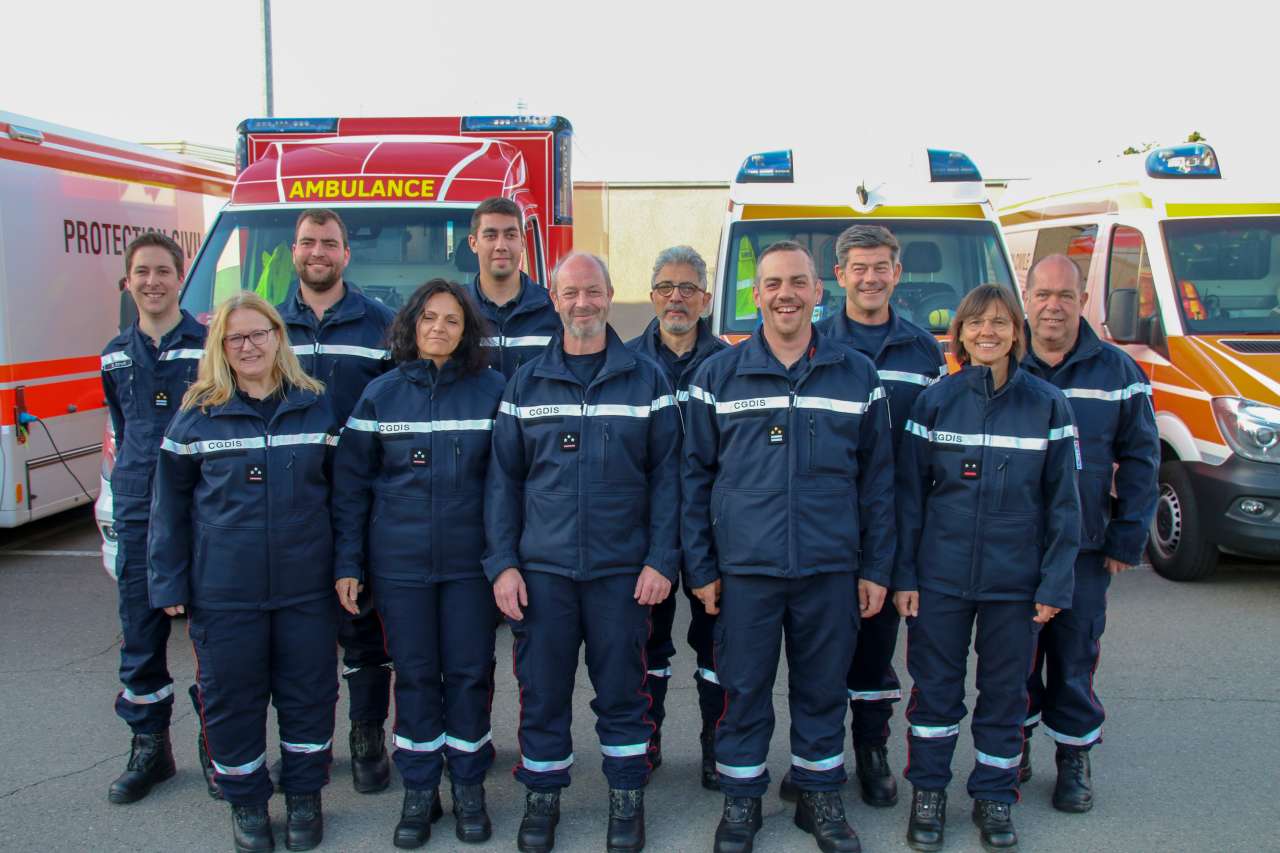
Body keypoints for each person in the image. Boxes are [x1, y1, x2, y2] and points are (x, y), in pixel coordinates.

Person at [684, 240, 895, 853]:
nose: (786, 294)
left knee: (822, 688)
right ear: (756, 293)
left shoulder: (857, 374)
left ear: (818, 290)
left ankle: (820, 798)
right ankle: (743, 804)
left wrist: (876, 566)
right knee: (743, 689)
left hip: (830, 566)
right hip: (744, 569)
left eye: (797, 282)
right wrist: (700, 565)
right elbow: (692, 478)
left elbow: (879, 481)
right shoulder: (717, 376)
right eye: (773, 283)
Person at [484, 252, 681, 853]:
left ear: (609, 294)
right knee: (542, 692)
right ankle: (542, 795)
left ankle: (626, 793)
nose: (583, 304)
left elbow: (669, 478)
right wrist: (503, 564)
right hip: (542, 572)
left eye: (593, 292)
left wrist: (661, 558)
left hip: (622, 573)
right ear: (555, 298)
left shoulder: (647, 379)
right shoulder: (527, 382)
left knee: (623, 689)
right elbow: (503, 481)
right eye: (571, 294)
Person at [148, 292, 341, 853]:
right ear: (222, 349)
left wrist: (348, 566)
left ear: (279, 337)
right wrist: (170, 582)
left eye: (259, 334)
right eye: (237, 338)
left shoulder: (316, 406)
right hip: (223, 592)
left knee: (309, 694)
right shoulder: (197, 415)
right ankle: (248, 802)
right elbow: (170, 509)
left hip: (306, 587)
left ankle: (304, 795)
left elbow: (345, 500)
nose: (250, 346)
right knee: (232, 698)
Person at [893, 284, 1081, 852]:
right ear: (960, 335)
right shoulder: (935, 401)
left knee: (1004, 694)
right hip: (940, 581)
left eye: (1000, 323)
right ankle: (929, 792)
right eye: (976, 324)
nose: (987, 333)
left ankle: (995, 796)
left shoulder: (1049, 405)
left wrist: (1054, 581)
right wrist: (905, 575)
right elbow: (908, 499)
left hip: (1015, 584)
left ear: (1016, 333)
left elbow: (1065, 503)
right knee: (935, 692)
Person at [332, 279, 506, 848]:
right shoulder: (380, 395)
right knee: (414, 677)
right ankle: (419, 790)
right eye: (429, 317)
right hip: (399, 566)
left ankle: (470, 787)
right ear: (411, 324)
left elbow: (511, 484)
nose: (439, 328)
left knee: (468, 674)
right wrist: (349, 562)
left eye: (452, 320)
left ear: (467, 331)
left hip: (467, 568)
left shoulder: (493, 392)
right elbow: (352, 485)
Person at [780, 224, 947, 808]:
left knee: (875, 648)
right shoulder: (814, 340)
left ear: (896, 274)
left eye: (882, 267)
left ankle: (871, 751)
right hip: (822, 522)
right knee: (815, 652)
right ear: (841, 276)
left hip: (891, 521)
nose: (871, 278)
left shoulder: (924, 352)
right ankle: (812, 759)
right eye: (859, 268)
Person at [1018, 255, 1159, 812]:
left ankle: (1073, 757)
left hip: (1085, 546)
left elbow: (1142, 460)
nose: (1053, 306)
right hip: (1016, 546)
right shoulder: (1004, 365)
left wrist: (1128, 536)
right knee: (1017, 656)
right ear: (1026, 298)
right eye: (1043, 294)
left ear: (1083, 302)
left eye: (1066, 296)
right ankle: (1016, 745)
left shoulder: (1118, 372)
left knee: (1074, 656)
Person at [276, 208, 397, 793]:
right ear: (294, 251)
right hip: (287, 504)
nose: (317, 251)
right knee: (300, 632)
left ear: (347, 255)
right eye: (307, 242)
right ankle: (307, 745)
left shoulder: (382, 326)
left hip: (364, 500)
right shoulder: (267, 327)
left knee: (363, 628)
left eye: (328, 242)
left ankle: (367, 735)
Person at [100, 232, 208, 804]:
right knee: (140, 633)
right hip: (140, 507)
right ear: (128, 282)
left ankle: (220, 745)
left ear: (179, 277)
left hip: (201, 506)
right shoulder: (114, 355)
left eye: (163, 271)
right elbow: (123, 427)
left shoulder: (209, 344)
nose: (153, 282)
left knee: (211, 634)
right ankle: (149, 747)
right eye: (142, 272)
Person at [624, 245, 727, 787]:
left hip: (716, 530)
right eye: (666, 287)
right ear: (652, 295)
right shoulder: (626, 363)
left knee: (717, 644)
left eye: (688, 288)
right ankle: (647, 735)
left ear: (706, 298)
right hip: (650, 530)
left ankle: (717, 743)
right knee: (648, 642)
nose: (676, 298)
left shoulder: (734, 365)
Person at [465, 197, 560, 378]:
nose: (501, 246)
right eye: (490, 236)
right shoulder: (455, 311)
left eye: (510, 235)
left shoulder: (555, 311)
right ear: (473, 243)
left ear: (522, 242)